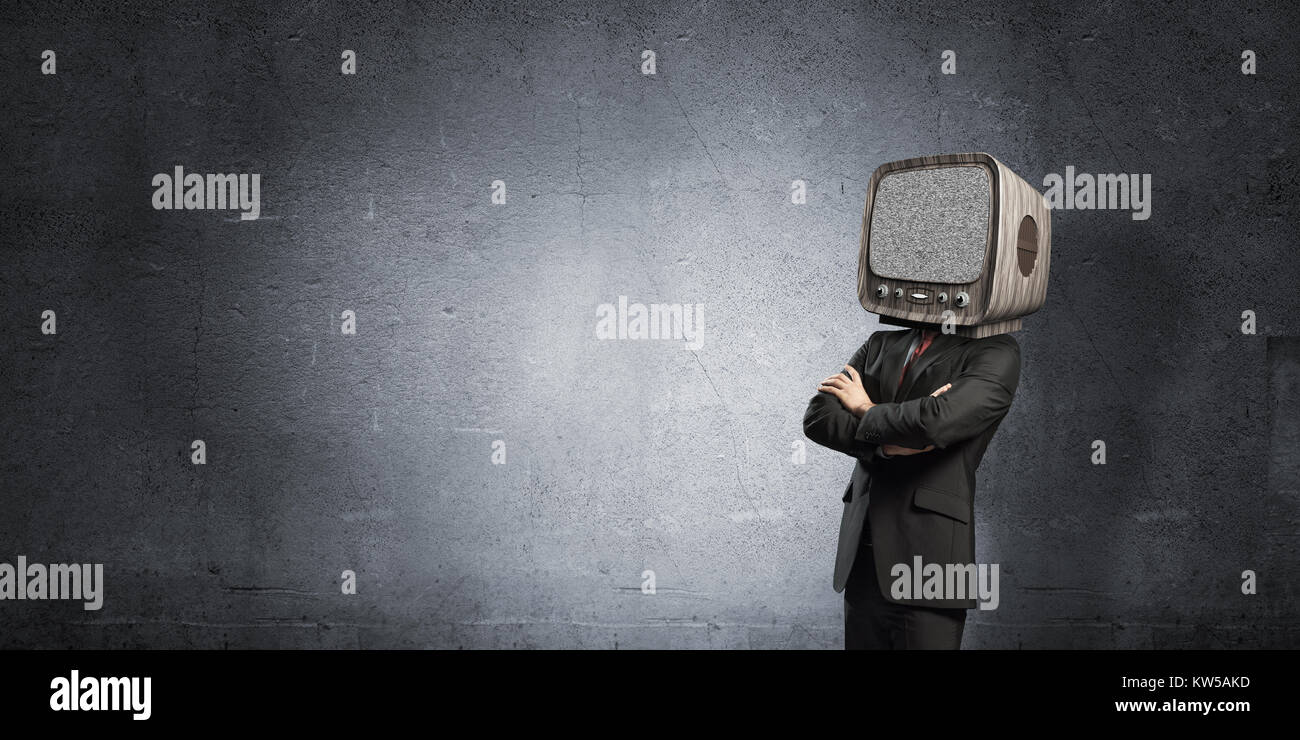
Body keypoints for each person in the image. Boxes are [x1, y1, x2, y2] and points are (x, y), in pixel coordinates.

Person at [803, 325, 1020, 649]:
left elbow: (934, 422)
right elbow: (819, 417)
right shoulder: (880, 344)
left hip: (931, 561)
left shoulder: (997, 351)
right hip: (862, 555)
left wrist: (864, 408)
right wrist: (888, 444)